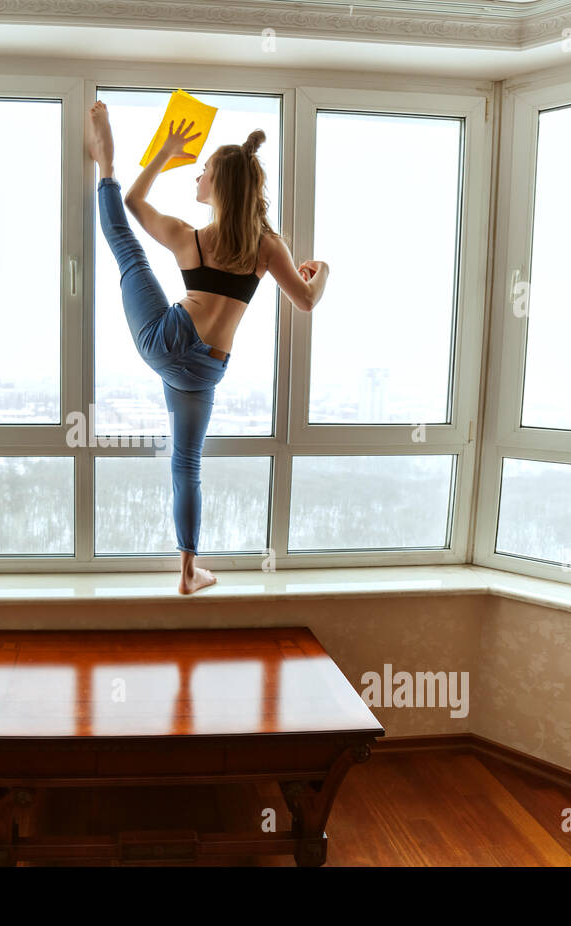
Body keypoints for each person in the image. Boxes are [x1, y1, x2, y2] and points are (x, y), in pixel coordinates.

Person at [87, 100, 329, 594]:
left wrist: (162, 156)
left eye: (202, 172)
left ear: (218, 184)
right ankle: (187, 573)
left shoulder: (190, 237)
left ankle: (103, 160)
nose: (195, 177)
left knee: (128, 250)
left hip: (165, 338)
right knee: (187, 463)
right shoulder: (268, 246)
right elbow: (305, 301)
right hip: (204, 370)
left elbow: (132, 206)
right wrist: (322, 270)